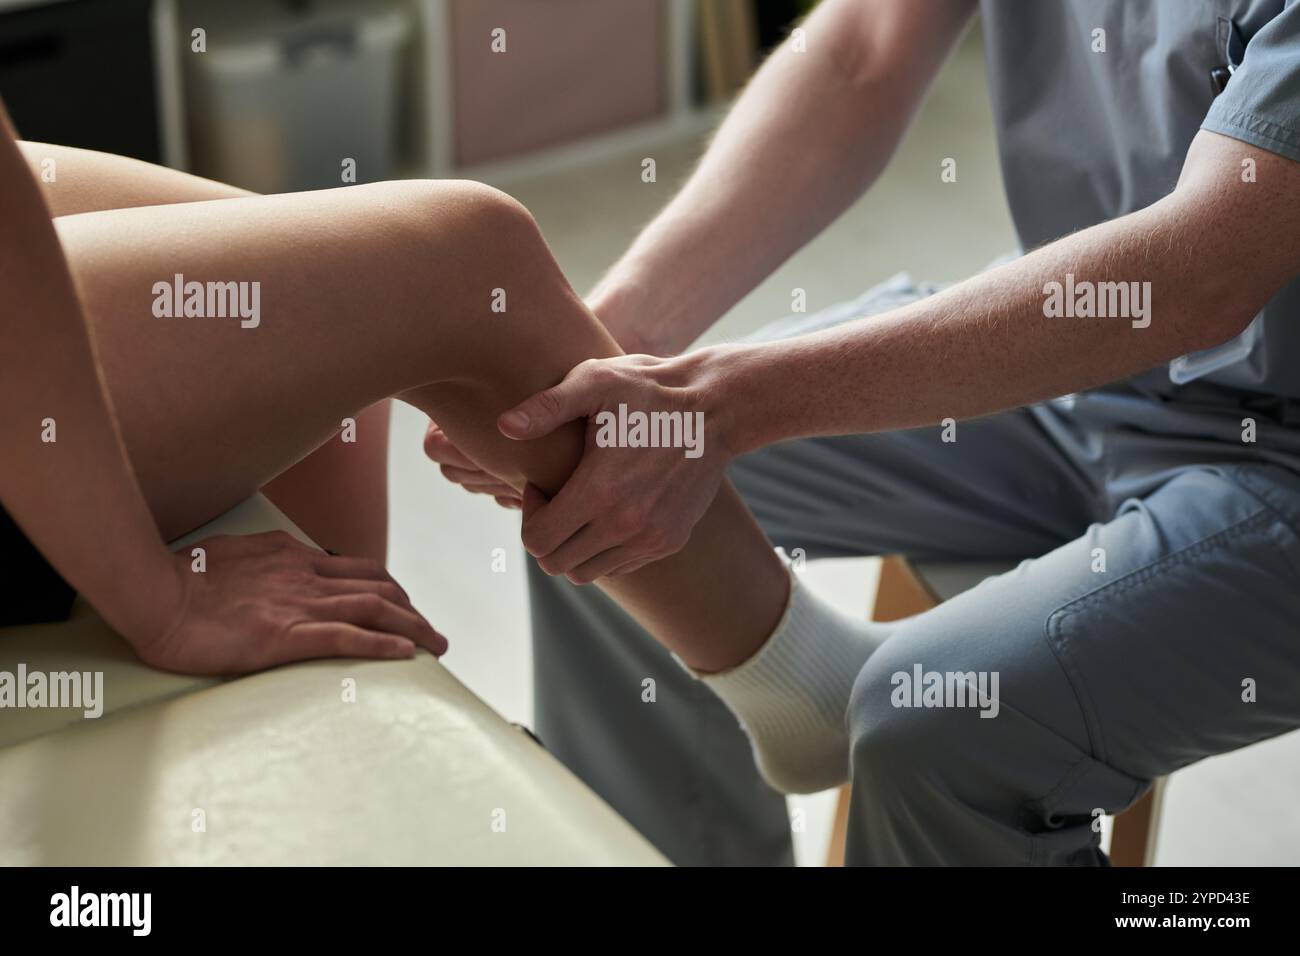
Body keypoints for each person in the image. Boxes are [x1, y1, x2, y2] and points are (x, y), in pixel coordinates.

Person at [427, 0, 1300, 865]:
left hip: (1279, 454)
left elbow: (1202, 272)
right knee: (586, 478)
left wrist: (726, 405)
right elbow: (860, 53)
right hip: (1074, 376)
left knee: (934, 726)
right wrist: (619, 346)